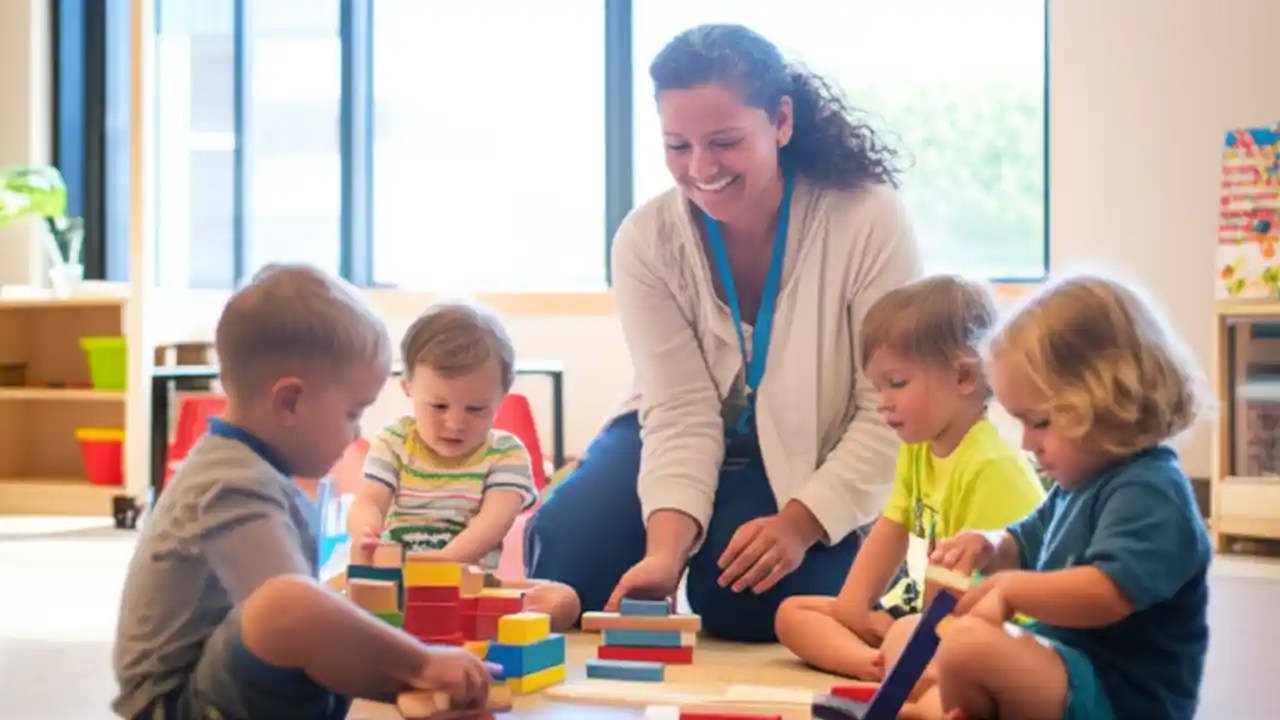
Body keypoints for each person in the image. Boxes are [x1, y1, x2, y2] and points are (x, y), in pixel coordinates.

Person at [525, 22, 924, 641]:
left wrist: (800, 523)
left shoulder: (868, 217)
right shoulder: (646, 239)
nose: (701, 167)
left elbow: (887, 410)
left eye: (725, 142)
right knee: (570, 564)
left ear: (782, 122)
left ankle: (850, 569)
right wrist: (664, 551)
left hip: (815, 444)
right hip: (677, 430)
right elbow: (680, 408)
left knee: (739, 598)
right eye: (677, 145)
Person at [112, 265, 498, 720]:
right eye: (353, 413)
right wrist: (422, 663)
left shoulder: (253, 470)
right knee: (292, 604)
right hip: (178, 707)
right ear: (289, 402)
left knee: (327, 611)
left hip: (223, 684)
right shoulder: (230, 484)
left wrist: (403, 679)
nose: (357, 431)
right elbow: (291, 612)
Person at [912, 274, 1211, 720]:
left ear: (1108, 399)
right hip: (1064, 673)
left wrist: (1011, 591)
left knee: (967, 647)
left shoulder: (1152, 490)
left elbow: (1108, 592)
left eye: (1040, 423)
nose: (1027, 443)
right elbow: (1024, 540)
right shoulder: (1079, 481)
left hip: (1118, 700)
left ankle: (937, 707)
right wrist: (990, 545)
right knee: (912, 637)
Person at [773, 275, 1044, 679]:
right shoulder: (918, 448)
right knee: (792, 613)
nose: (883, 402)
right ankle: (878, 668)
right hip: (924, 612)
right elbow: (891, 529)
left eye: (897, 383)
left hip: (990, 628)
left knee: (907, 631)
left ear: (964, 377)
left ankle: (905, 667)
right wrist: (855, 609)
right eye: (878, 387)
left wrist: (914, 631)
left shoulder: (992, 464)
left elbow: (970, 587)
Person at [346, 299, 581, 630]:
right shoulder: (395, 440)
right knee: (319, 599)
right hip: (398, 586)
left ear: (502, 395)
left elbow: (492, 523)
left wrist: (446, 562)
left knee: (564, 598)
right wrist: (366, 532)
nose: (455, 423)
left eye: (476, 409)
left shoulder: (504, 454)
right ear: (408, 388)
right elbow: (370, 499)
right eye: (439, 405)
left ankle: (488, 626)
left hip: (470, 590)